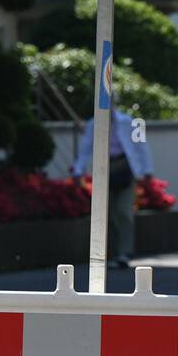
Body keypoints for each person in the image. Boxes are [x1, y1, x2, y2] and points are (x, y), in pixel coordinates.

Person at [72, 106, 155, 267]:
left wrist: (147, 170)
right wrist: (78, 171)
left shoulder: (129, 121)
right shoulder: (92, 124)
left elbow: (142, 146)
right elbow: (85, 149)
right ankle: (108, 253)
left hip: (125, 169)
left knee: (124, 211)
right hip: (104, 169)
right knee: (106, 213)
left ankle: (125, 252)